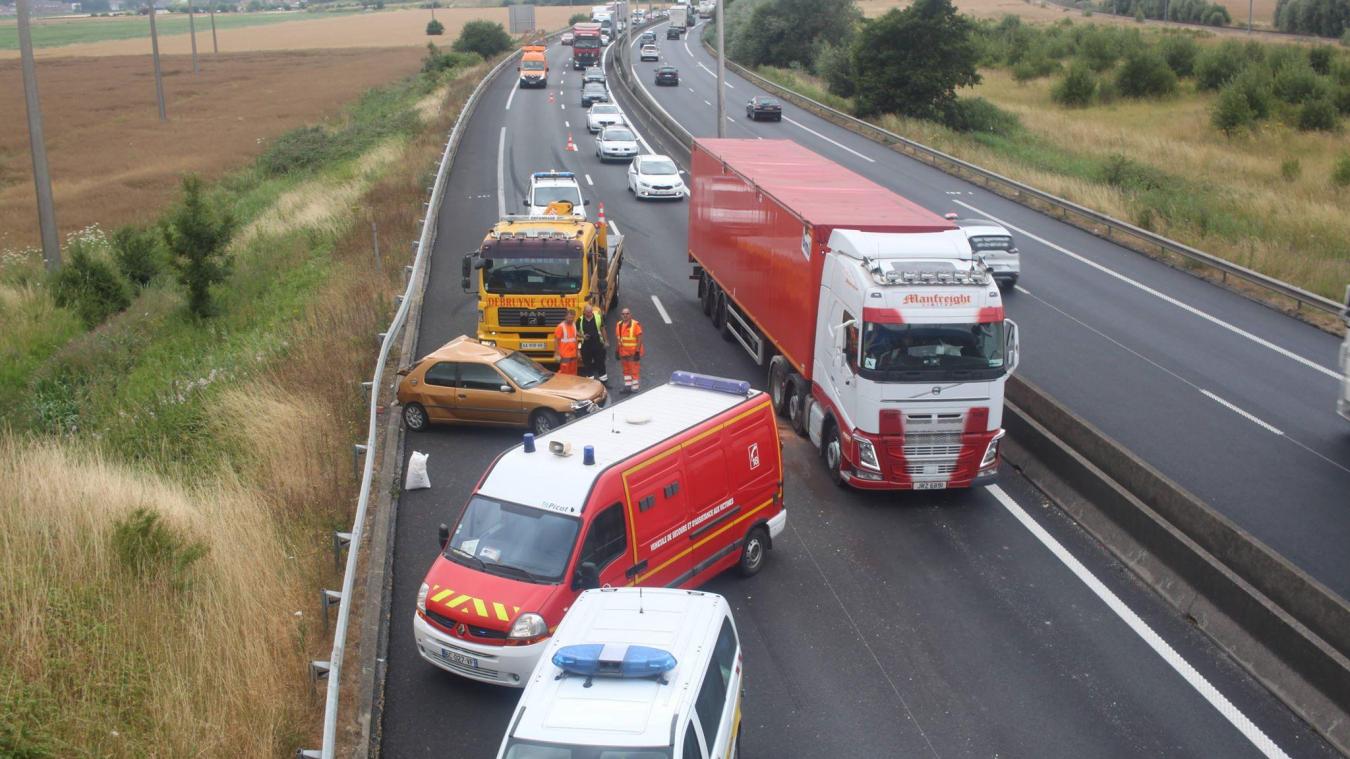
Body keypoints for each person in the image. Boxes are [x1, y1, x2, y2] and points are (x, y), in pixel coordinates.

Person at [577, 301, 608, 384]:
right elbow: (575, 331)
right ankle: (591, 383)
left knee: (600, 362)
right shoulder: (580, 320)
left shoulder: (597, 317)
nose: (590, 313)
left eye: (591, 312)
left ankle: (604, 381)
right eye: (588, 312)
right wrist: (583, 336)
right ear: (584, 312)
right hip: (586, 346)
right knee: (587, 364)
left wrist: (606, 341)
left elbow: (603, 329)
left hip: (597, 344)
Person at [615, 308, 644, 393]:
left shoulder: (635, 324)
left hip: (633, 353)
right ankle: (627, 387)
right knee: (626, 370)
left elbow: (640, 338)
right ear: (621, 315)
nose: (625, 315)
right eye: (623, 314)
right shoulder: (618, 325)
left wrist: (637, 352)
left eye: (627, 314)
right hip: (623, 352)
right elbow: (619, 339)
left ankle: (635, 388)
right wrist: (617, 350)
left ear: (630, 315)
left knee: (634, 370)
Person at [553, 308, 579, 375]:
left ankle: (572, 384)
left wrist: (578, 351)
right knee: (565, 373)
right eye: (569, 317)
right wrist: (557, 354)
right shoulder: (560, 327)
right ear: (565, 317)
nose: (571, 319)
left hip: (573, 355)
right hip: (565, 355)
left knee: (573, 373)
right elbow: (556, 341)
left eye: (572, 317)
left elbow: (575, 339)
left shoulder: (573, 325)